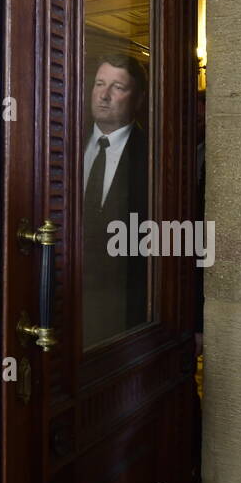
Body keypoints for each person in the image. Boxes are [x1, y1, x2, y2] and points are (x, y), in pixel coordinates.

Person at [82, 54, 148, 347]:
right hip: (62, 306)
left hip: (127, 314)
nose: (104, 95)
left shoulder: (156, 155)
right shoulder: (60, 141)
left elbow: (183, 246)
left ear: (139, 98)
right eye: (99, 84)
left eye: (118, 87)